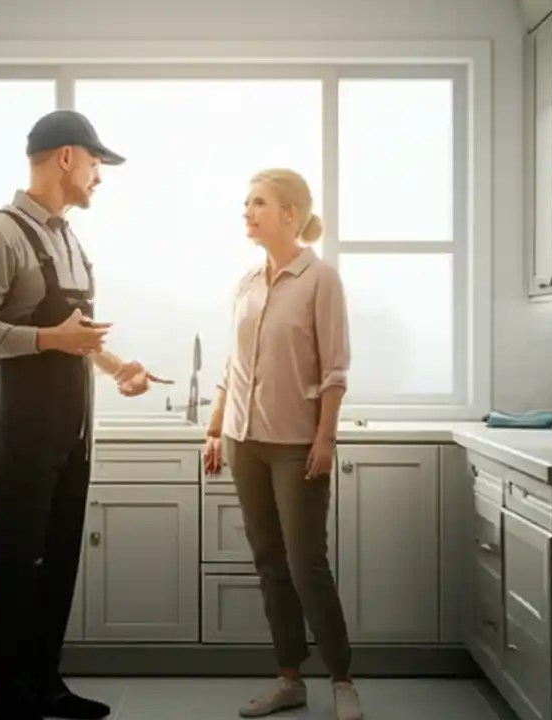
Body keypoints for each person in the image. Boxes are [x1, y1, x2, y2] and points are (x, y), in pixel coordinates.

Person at [0, 109, 160, 720]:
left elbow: (75, 332)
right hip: (21, 431)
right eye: (97, 164)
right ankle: (5, 699)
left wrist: (117, 365)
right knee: (16, 562)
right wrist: (48, 342)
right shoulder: (0, 233)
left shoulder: (67, 236)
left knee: (59, 559)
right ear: (67, 157)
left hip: (72, 430)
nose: (100, 177)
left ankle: (45, 685)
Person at [203, 169, 362, 720]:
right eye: (245, 203)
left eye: (259, 203)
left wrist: (326, 438)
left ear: (290, 213)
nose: (247, 212)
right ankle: (289, 679)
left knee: (305, 564)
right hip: (244, 442)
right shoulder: (246, 283)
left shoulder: (321, 280)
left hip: (297, 446)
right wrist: (214, 426)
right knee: (270, 563)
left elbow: (335, 370)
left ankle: (342, 679)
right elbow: (233, 364)